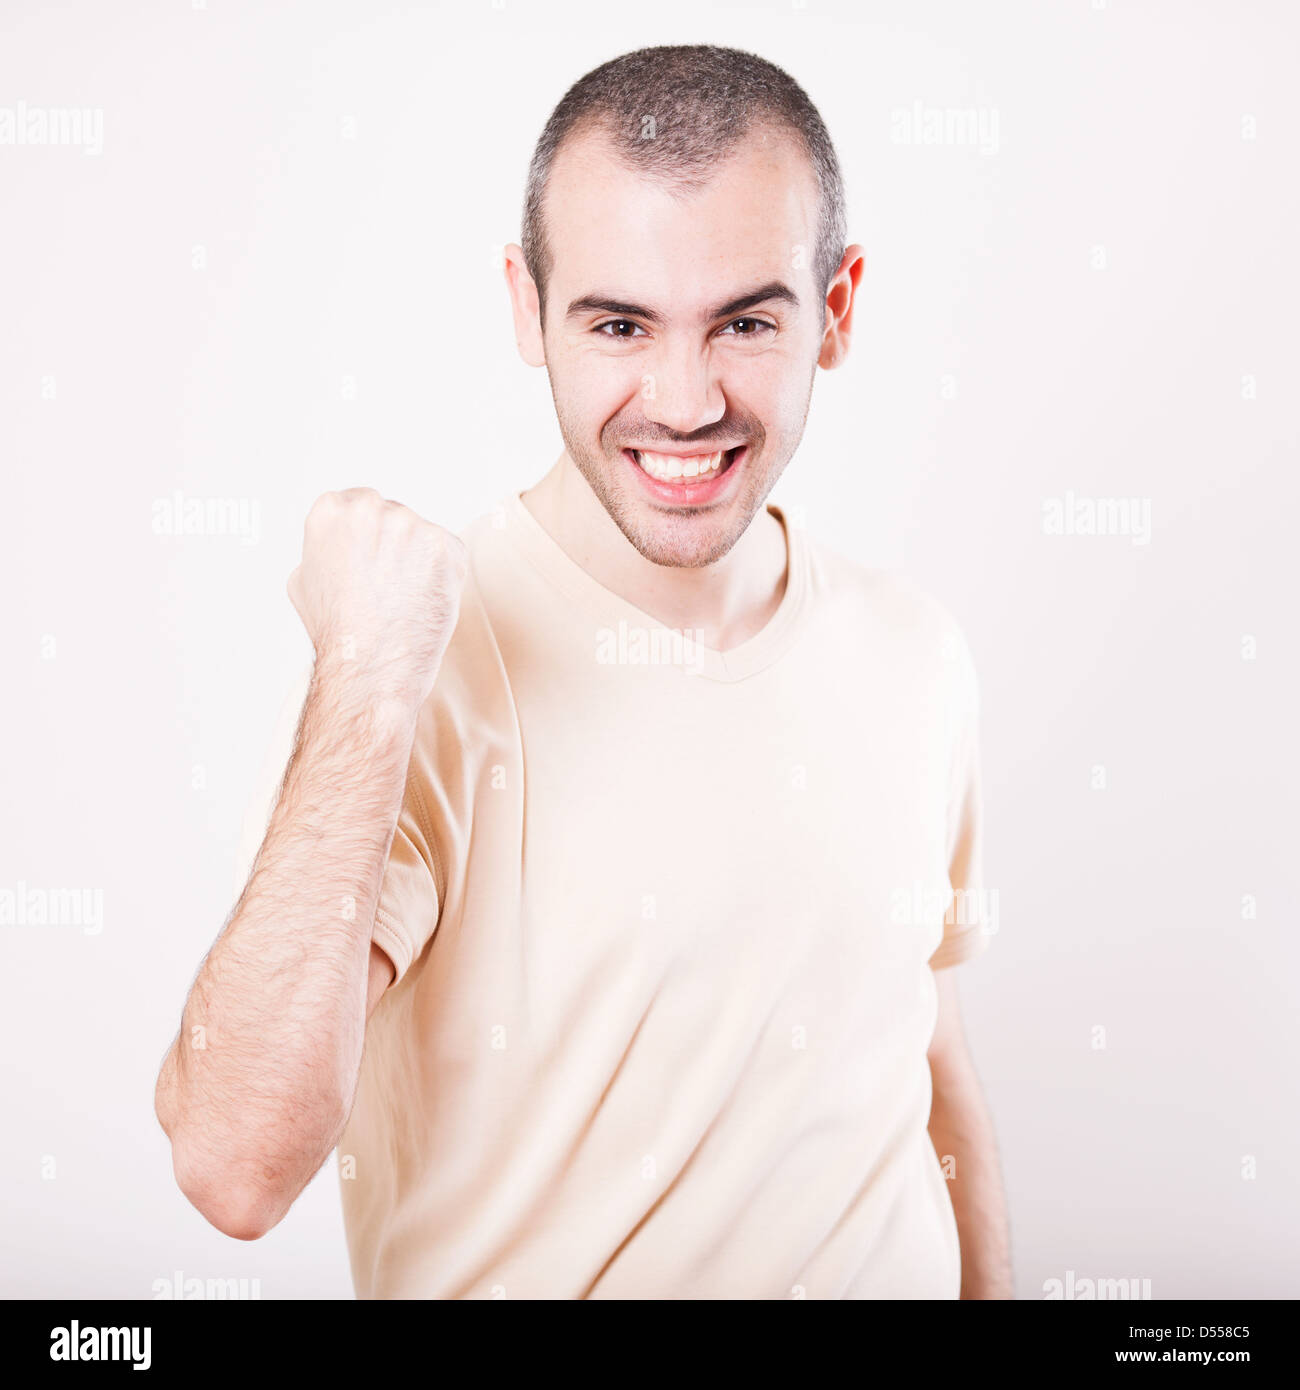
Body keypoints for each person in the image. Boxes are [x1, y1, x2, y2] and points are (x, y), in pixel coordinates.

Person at [154, 43, 1012, 1300]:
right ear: (526, 308)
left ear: (834, 309)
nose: (681, 401)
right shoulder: (413, 672)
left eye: (745, 321)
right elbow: (233, 1168)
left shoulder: (915, 652)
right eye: (619, 324)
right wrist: (369, 680)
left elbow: (924, 1060)